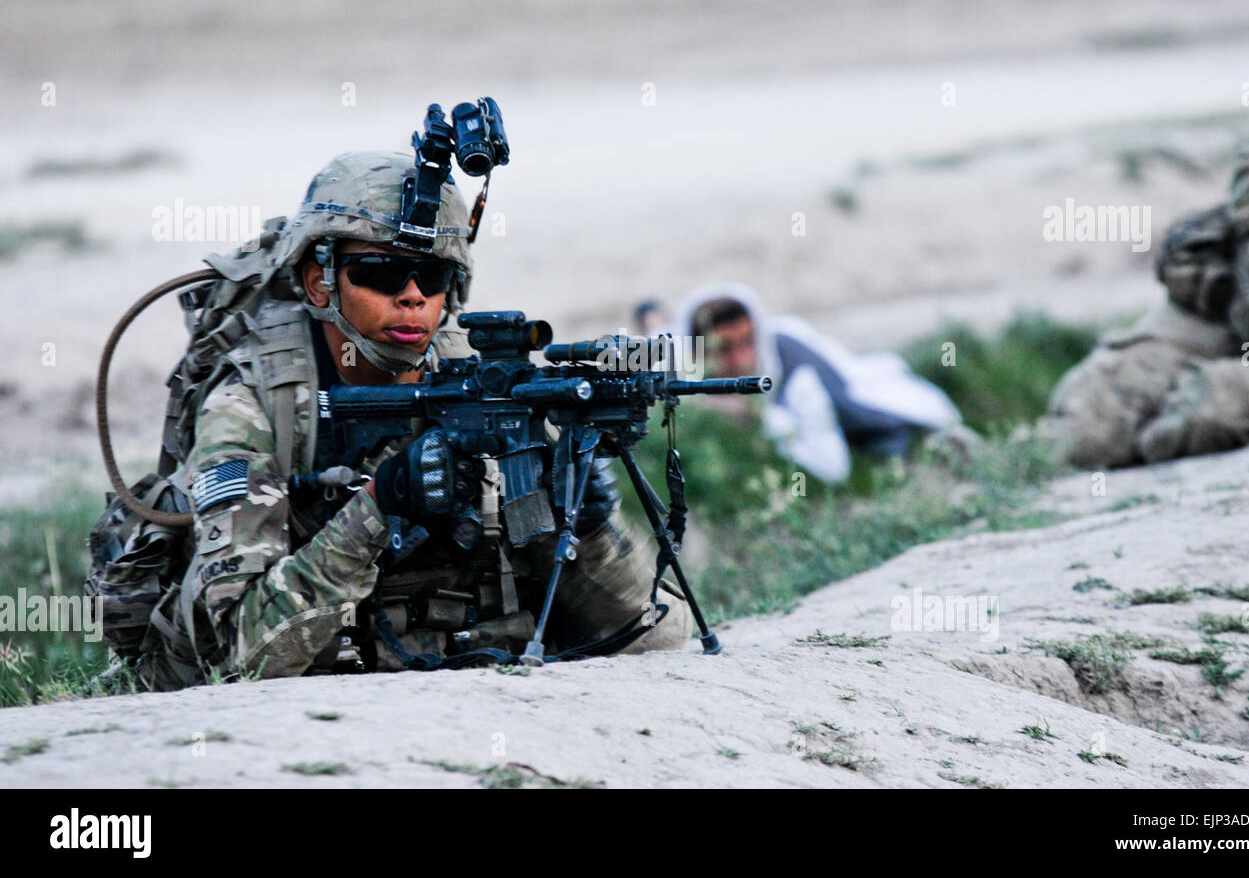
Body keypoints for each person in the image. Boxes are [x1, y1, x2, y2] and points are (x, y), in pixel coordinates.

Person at [133, 149, 689, 691]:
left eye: (433, 275)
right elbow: (244, 654)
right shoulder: (255, 406)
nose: (413, 297)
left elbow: (656, 640)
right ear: (319, 282)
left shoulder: (480, 379)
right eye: (381, 272)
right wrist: (381, 504)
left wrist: (588, 530)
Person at [1038, 106, 1249, 468]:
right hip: (1220, 320)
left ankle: (1143, 464)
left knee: (1217, 405)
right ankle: (975, 473)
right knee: (1089, 427)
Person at [662, 283, 960, 484]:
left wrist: (757, 417)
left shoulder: (794, 363)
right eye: (724, 348)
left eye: (747, 343)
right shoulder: (686, 377)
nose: (740, 359)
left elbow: (832, 465)